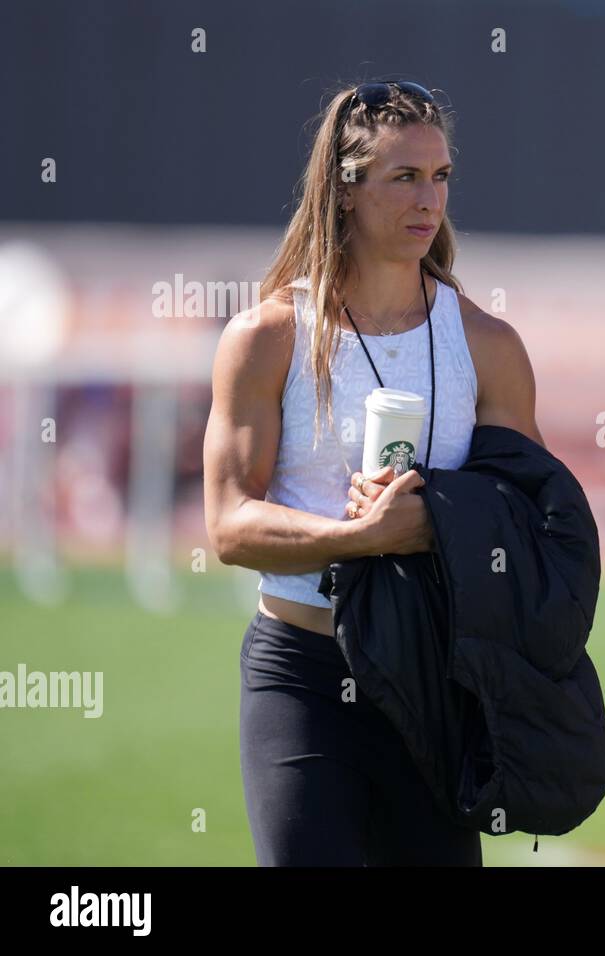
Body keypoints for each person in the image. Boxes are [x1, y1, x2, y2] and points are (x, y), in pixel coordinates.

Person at [202, 79, 543, 865]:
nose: (430, 199)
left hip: (434, 677)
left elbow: (526, 521)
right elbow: (227, 526)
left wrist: (437, 523)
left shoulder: (488, 343)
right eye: (403, 177)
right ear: (345, 188)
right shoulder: (268, 336)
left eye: (441, 176)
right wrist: (357, 536)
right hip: (302, 672)